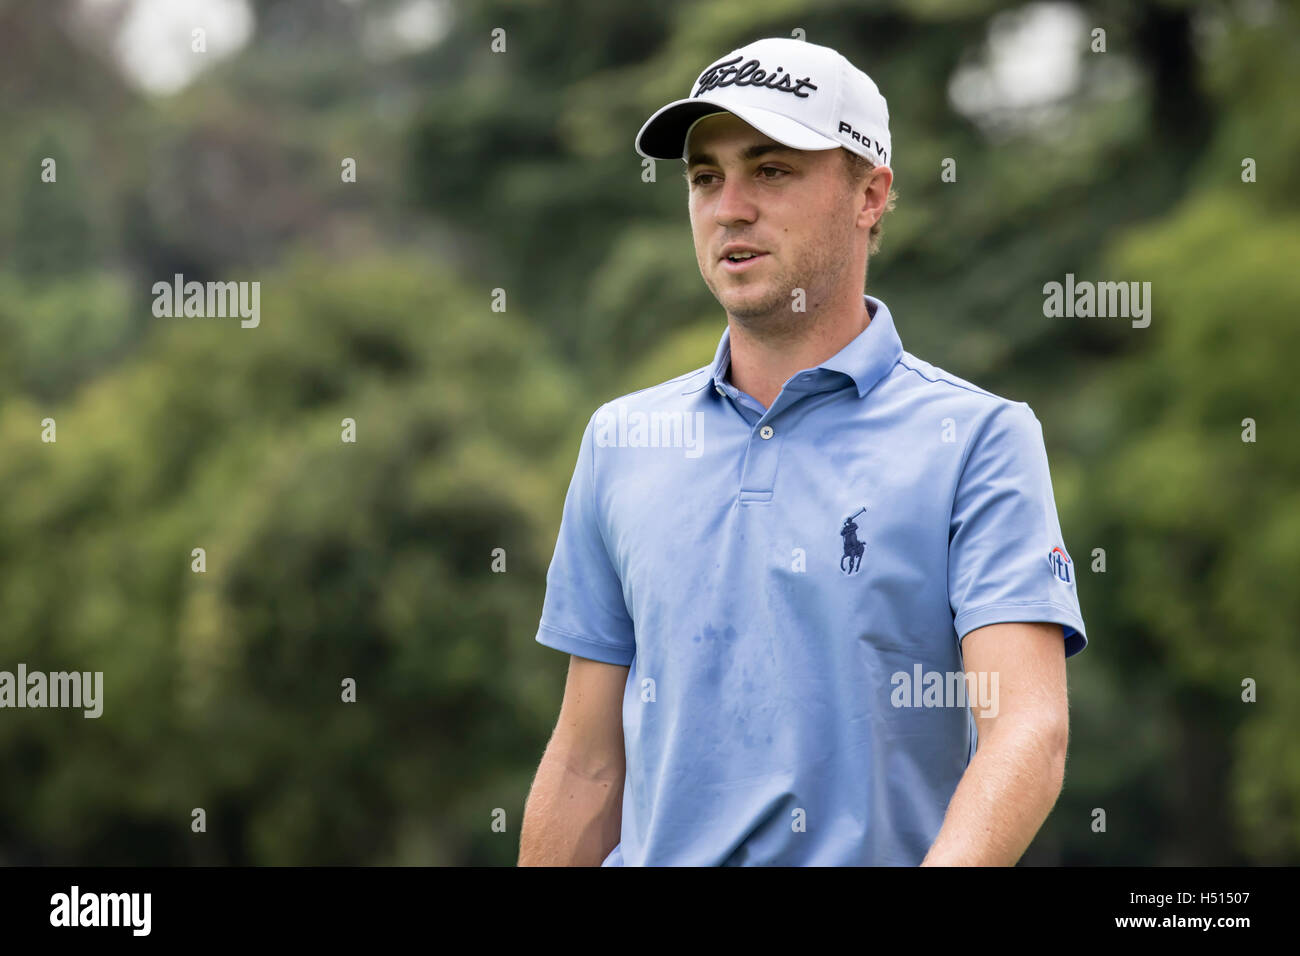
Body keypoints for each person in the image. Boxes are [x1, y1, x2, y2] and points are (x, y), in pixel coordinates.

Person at [518, 36, 1087, 866]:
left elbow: (1028, 731)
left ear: (870, 195)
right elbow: (586, 762)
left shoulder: (979, 440)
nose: (729, 206)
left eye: (771, 170)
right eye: (705, 177)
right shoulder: (620, 440)